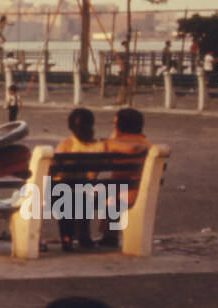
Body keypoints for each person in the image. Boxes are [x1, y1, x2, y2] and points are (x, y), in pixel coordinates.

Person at [54, 107, 106, 251]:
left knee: (63, 195)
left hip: (64, 194)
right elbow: (92, 175)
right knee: (84, 192)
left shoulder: (66, 144)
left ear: (70, 126)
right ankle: (84, 237)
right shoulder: (99, 146)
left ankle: (67, 238)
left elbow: (54, 170)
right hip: (87, 192)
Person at [100, 107, 150, 248]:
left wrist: (111, 139)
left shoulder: (116, 144)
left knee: (83, 194)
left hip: (120, 195)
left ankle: (104, 237)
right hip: (137, 191)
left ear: (119, 126)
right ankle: (109, 237)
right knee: (112, 190)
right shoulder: (144, 142)